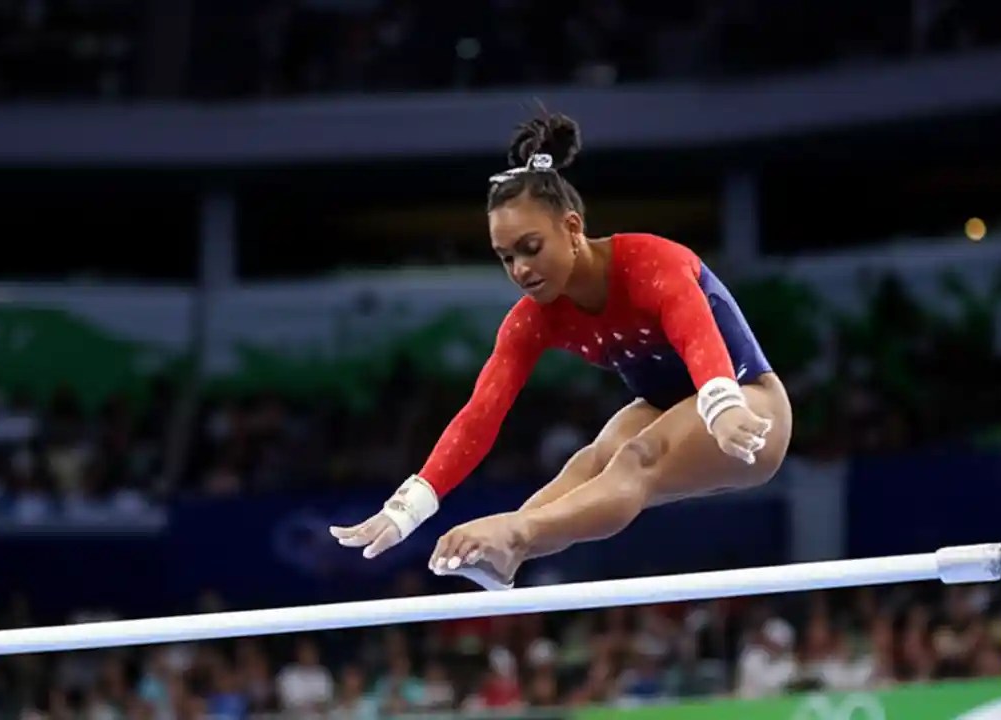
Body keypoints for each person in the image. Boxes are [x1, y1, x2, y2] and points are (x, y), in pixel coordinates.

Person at [330, 110, 792, 589]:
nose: (520, 269)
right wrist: (405, 511)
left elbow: (697, 333)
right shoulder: (531, 320)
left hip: (750, 406)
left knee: (636, 455)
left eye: (531, 247)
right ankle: (505, 553)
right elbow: (479, 416)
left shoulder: (650, 263)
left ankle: (516, 532)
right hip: (665, 409)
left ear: (572, 228)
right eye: (506, 257)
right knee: (591, 463)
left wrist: (722, 405)